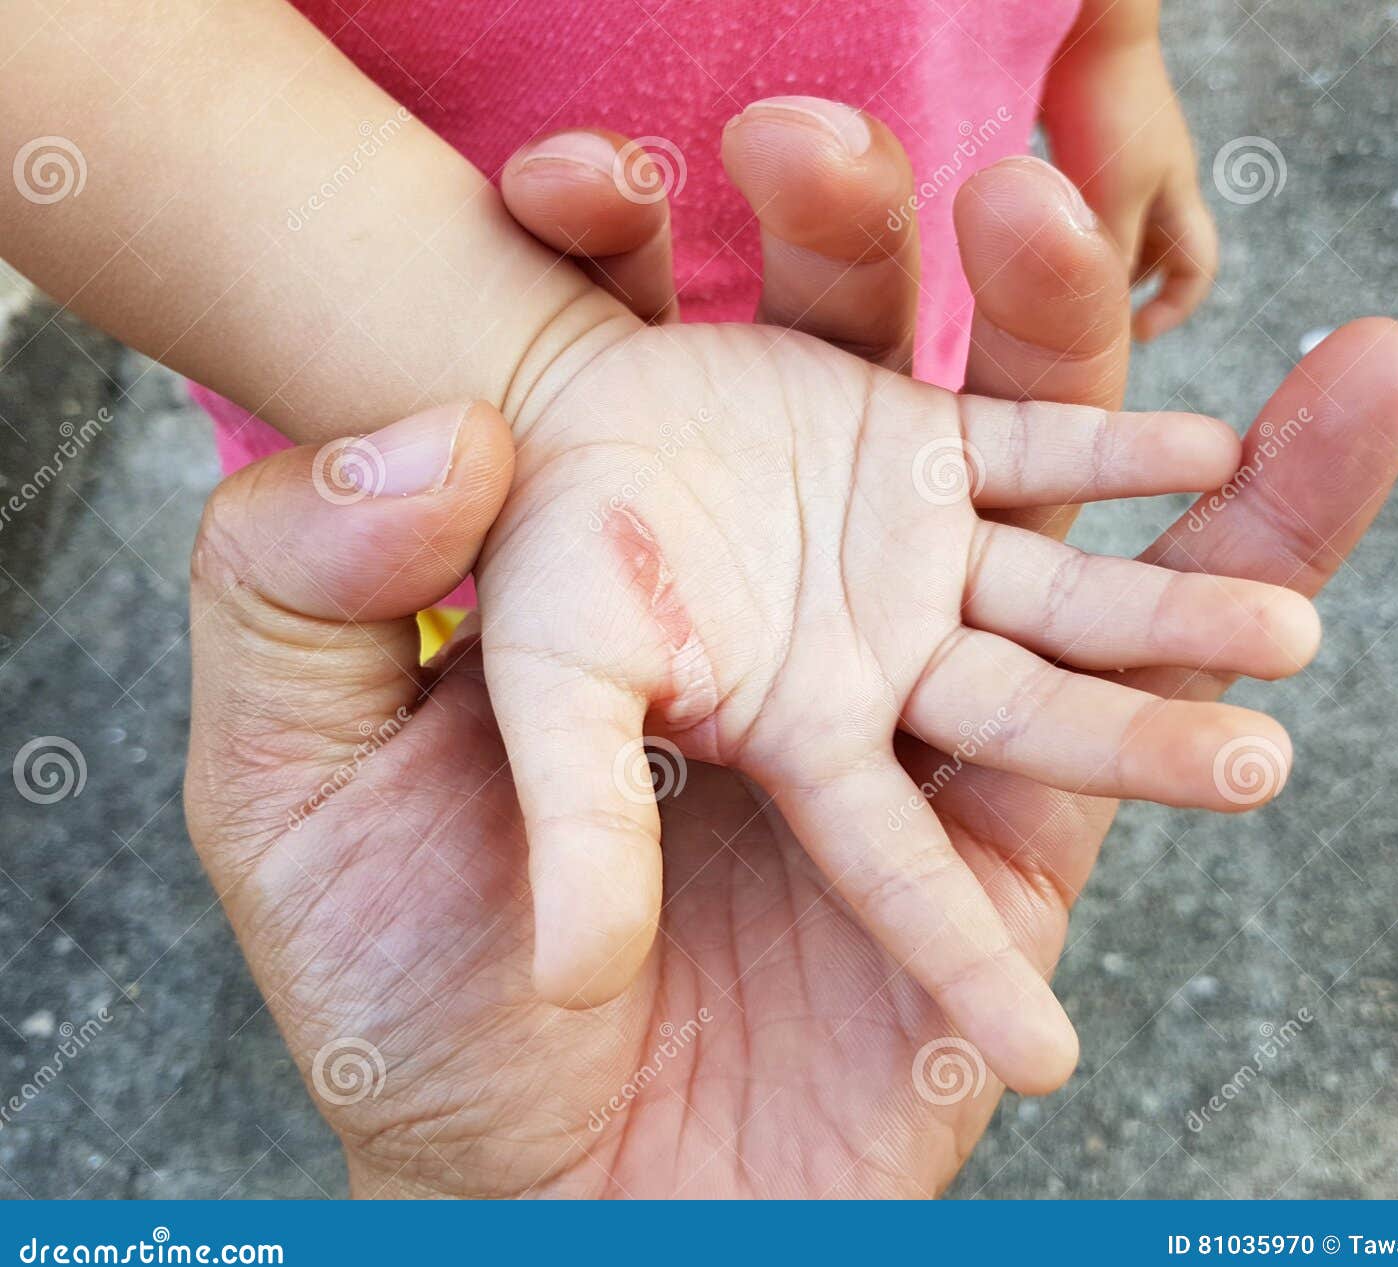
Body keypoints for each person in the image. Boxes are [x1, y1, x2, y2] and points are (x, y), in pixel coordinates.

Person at [1, 2, 1315, 1092]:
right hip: (398, 352)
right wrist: (535, 372)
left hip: (880, 324)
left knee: (805, 634)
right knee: (478, 708)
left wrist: (1109, 50)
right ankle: (471, 864)